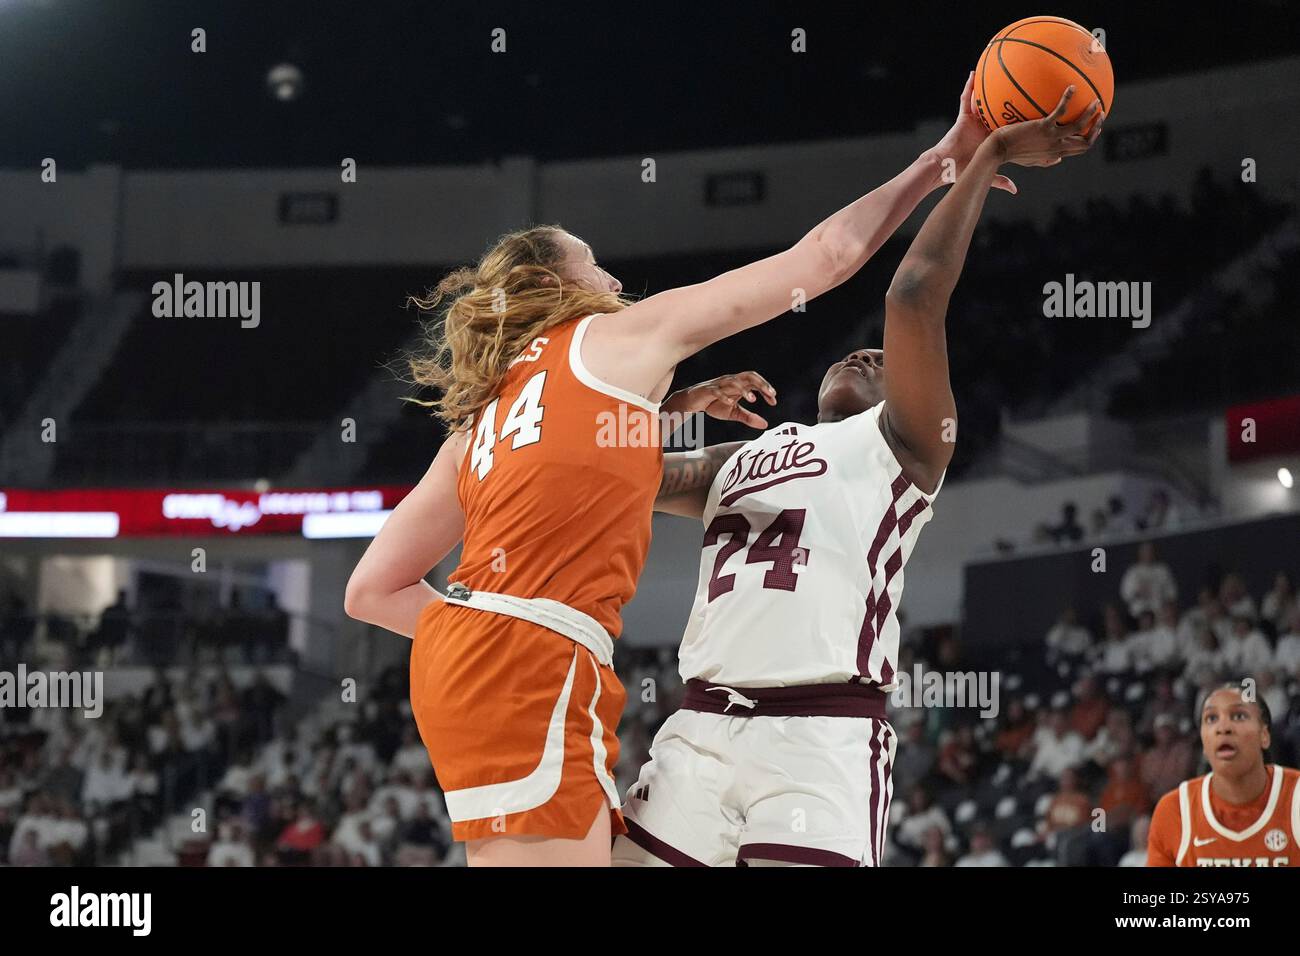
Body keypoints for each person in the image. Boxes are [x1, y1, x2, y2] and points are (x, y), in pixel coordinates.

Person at [342, 70, 1070, 866]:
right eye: (596, 268)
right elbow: (826, 258)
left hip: (487, 659)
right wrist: (945, 160)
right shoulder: (621, 338)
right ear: (556, 289)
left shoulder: (485, 414)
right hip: (547, 661)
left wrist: (671, 410)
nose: (616, 283)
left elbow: (372, 588)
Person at [613, 84, 1103, 866]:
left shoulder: (906, 445)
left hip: (820, 739)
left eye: (883, 361)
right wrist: (674, 404)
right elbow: (604, 466)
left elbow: (911, 296)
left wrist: (989, 154)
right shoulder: (739, 458)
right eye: (857, 352)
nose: (867, 354)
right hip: (696, 734)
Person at [1146, 684, 1300, 866]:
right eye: (1211, 718)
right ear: (1203, 742)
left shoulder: (1295, 796)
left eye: (1239, 716)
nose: (1223, 727)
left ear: (1264, 735)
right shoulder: (1174, 811)